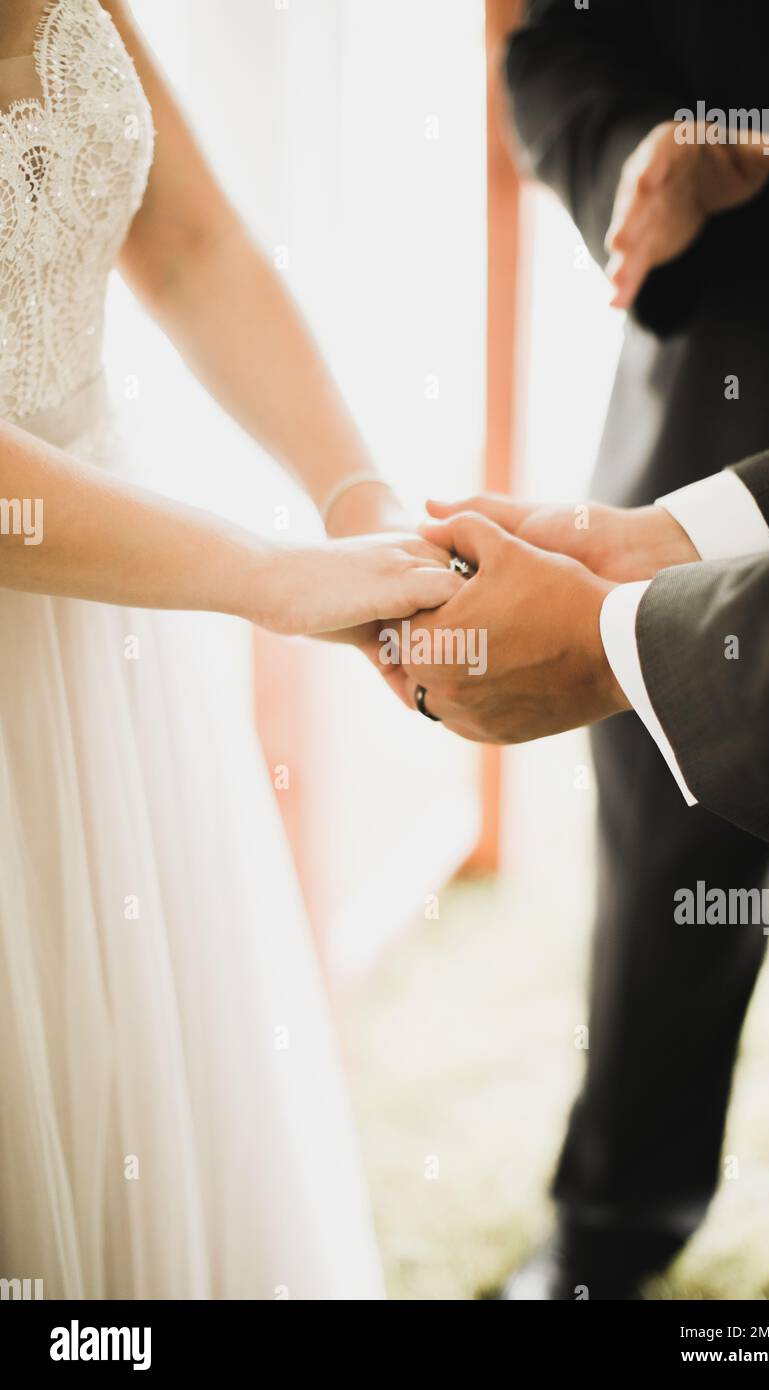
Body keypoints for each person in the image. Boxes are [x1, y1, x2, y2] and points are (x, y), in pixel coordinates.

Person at [0, 0, 462, 1298]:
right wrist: (259, 575)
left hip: (113, 622)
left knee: (144, 1055)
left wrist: (359, 502)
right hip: (104, 570)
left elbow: (195, 249)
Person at [488, 0, 769, 1296]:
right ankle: (612, 1221)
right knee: (662, 820)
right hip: (730, 341)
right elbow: (548, 41)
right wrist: (639, 150)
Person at [411, 395, 769, 1298]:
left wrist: (608, 642)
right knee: (663, 858)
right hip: (741, 370)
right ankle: (615, 1222)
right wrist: (677, 538)